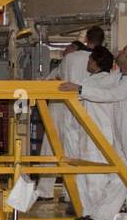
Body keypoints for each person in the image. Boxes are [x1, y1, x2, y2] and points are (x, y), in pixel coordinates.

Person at [60, 41, 127, 220]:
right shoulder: (121, 76)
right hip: (122, 139)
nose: (119, 51)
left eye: (124, 51)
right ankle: (101, 218)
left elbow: (111, 95)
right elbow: (102, 83)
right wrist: (77, 87)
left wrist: (80, 90)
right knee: (120, 178)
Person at [38, 42, 91, 199]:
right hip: (80, 112)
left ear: (75, 48)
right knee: (74, 152)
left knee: (51, 150)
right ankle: (69, 194)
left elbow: (48, 83)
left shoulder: (69, 61)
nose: (63, 51)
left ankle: (45, 191)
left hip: (59, 111)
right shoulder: (91, 62)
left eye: (66, 48)